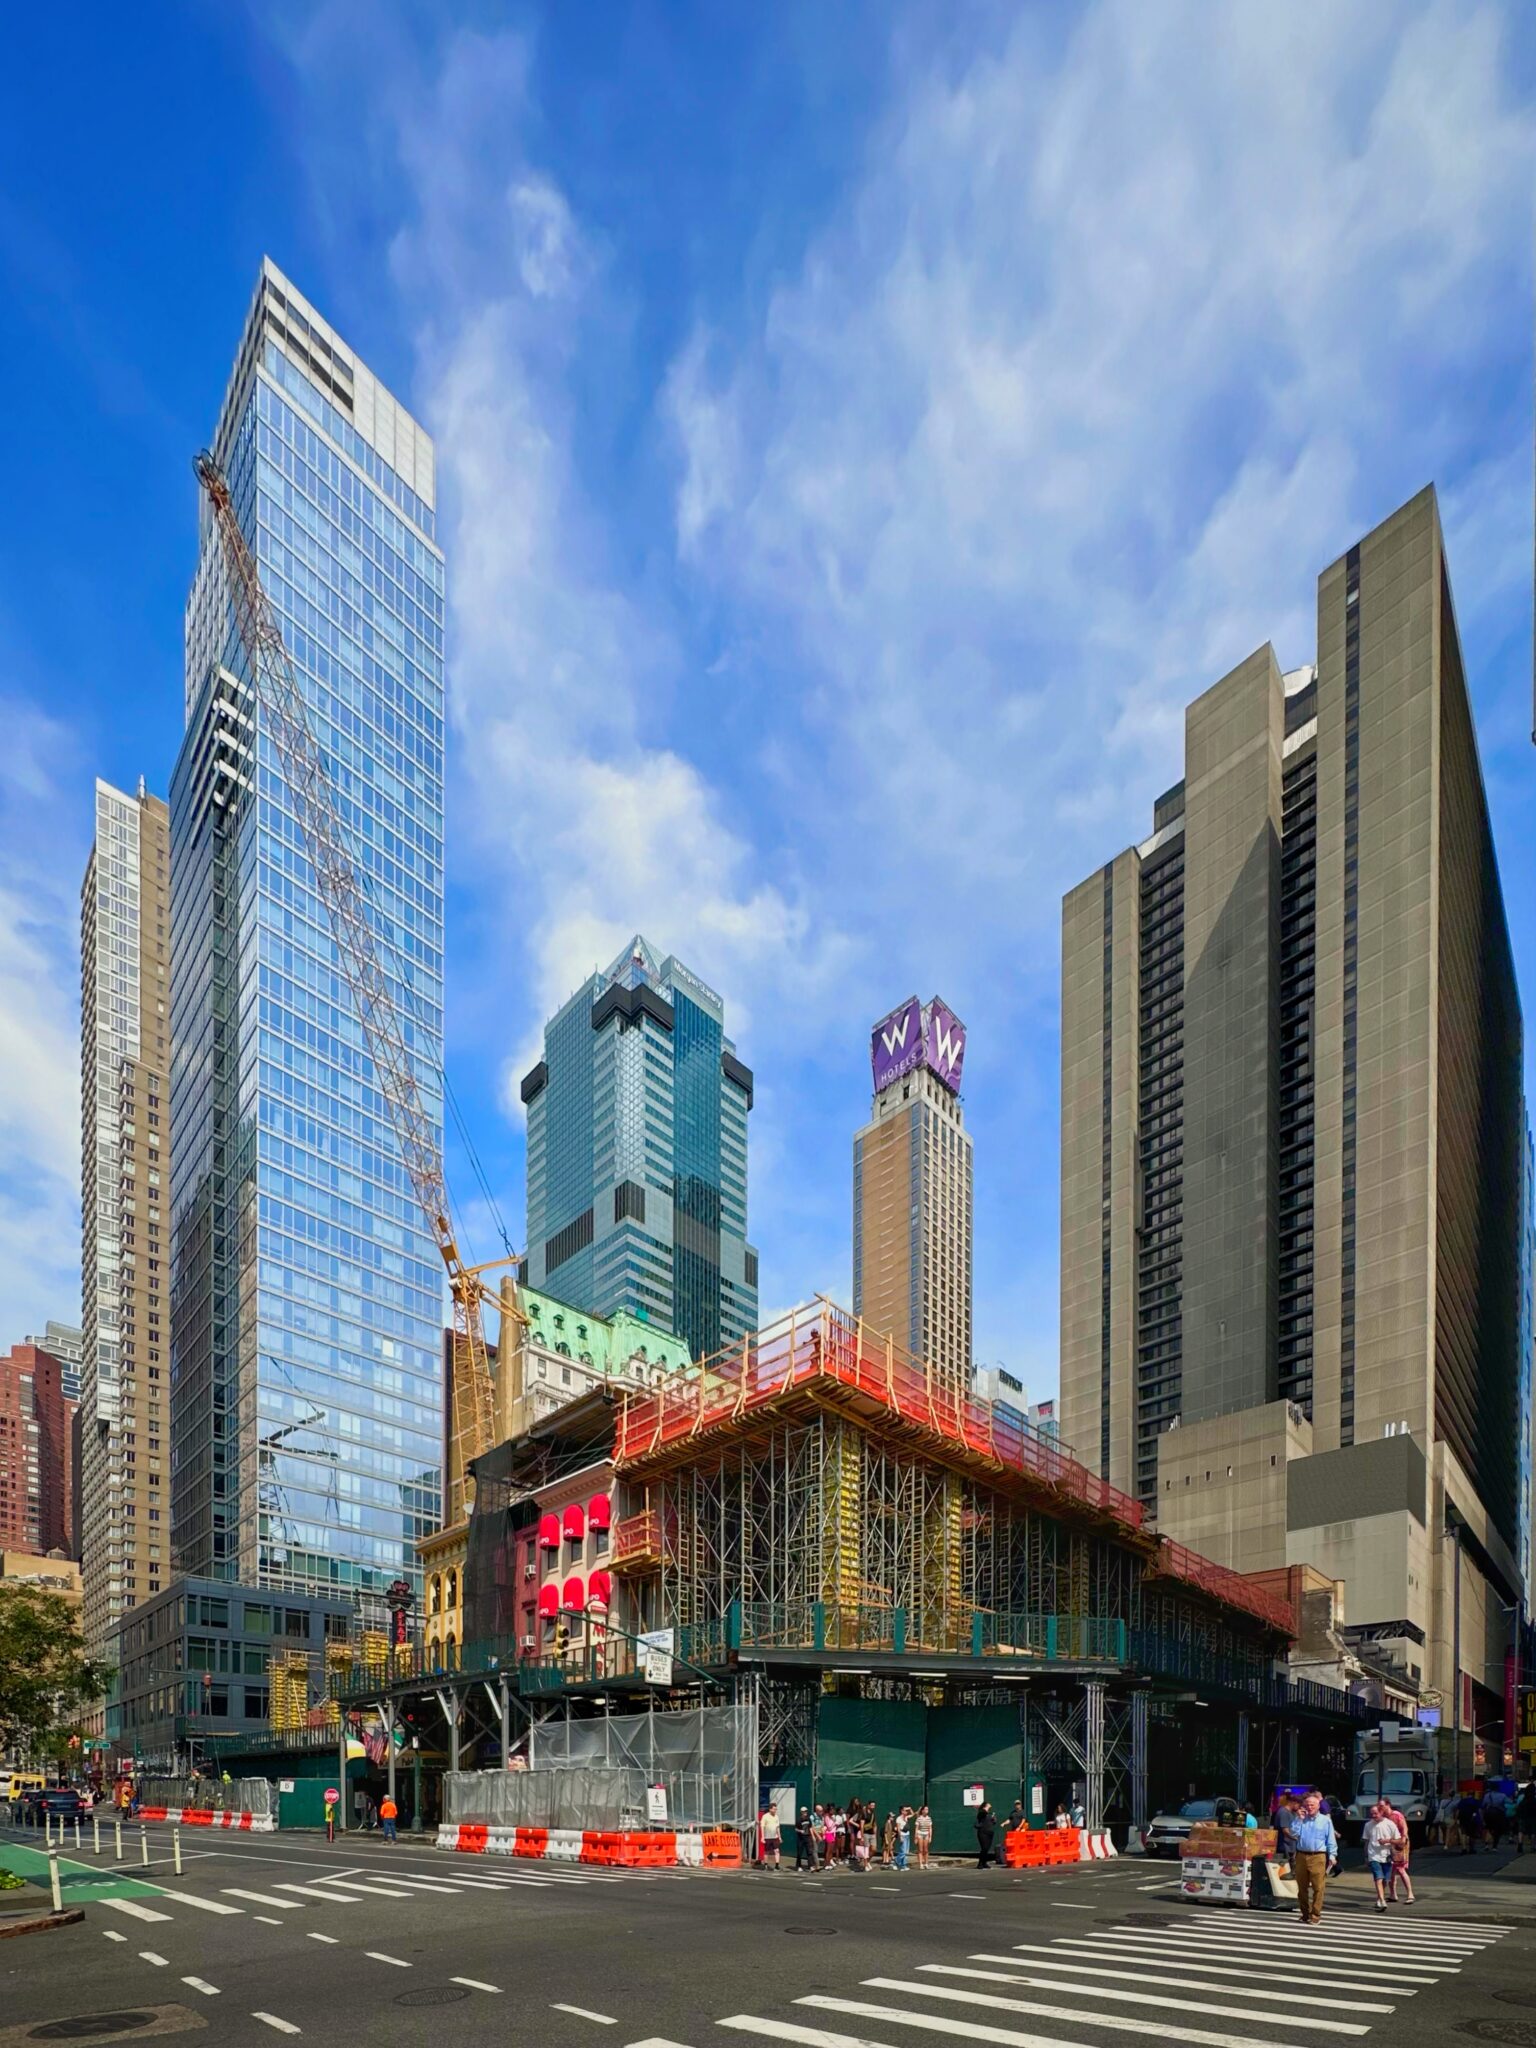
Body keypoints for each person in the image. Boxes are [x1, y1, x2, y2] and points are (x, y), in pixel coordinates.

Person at [1290, 1790, 1339, 1925]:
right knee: (1302, 1887)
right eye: (1307, 1805)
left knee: (1318, 1887)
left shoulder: (1325, 1821)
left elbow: (1330, 1839)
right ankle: (1305, 1913)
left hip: (1318, 1856)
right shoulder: (1301, 1819)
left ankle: (1315, 1914)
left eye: (1312, 1805)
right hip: (1301, 1855)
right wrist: (1298, 1819)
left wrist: (1333, 1855)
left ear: (1318, 1806)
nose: (1309, 1807)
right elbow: (1293, 1833)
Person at [1361, 1801, 1401, 1913]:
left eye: (1375, 1813)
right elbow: (1366, 1841)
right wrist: (1366, 1856)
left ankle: (1379, 1897)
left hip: (1386, 1855)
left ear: (1381, 1812)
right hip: (1373, 1855)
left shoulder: (1390, 1824)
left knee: (1385, 1880)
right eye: (1372, 1813)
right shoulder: (1368, 1825)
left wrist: (1387, 1841)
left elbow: (1399, 1840)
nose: (1373, 1816)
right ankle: (1382, 1900)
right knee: (1378, 1877)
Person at [1456, 1790, 1485, 1854]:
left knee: (1463, 1833)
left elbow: (1458, 1811)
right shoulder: (1476, 1801)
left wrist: (1456, 1819)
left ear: (1467, 1794)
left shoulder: (1462, 1801)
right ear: (1474, 1795)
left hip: (1463, 1819)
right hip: (1472, 1819)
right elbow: (1479, 1811)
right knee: (1472, 1834)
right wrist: (1482, 1820)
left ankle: (1464, 1848)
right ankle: (1471, 1849)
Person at [976, 1800, 998, 1869]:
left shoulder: (989, 1814)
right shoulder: (982, 1812)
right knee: (984, 1848)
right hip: (983, 1832)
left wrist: (994, 1818)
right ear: (985, 1805)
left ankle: (984, 1863)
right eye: (988, 1804)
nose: (990, 1804)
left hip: (990, 1832)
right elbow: (981, 1815)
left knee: (987, 1848)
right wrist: (985, 1810)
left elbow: (993, 1822)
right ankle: (980, 1864)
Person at [1514, 1782, 1536, 1854]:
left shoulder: (1521, 1797)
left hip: (1522, 1816)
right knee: (1533, 1832)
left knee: (1521, 1830)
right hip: (1533, 1817)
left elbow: (1517, 1806)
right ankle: (1532, 1846)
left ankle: (1520, 1843)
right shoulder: (1534, 1798)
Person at [760, 1802, 782, 1871]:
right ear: (770, 1809)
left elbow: (778, 1827)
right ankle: (766, 1865)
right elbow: (762, 1827)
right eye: (774, 1809)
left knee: (777, 1851)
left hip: (775, 1837)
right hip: (767, 1837)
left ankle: (777, 1865)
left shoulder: (776, 1816)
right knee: (767, 1851)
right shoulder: (765, 1816)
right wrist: (763, 1837)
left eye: (776, 1809)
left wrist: (780, 1837)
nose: (775, 1811)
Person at [913, 1803, 932, 1870]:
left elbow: (930, 1828)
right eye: (926, 1809)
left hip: (926, 1834)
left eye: (927, 1809)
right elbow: (916, 1828)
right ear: (922, 1810)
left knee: (926, 1850)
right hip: (920, 1834)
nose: (927, 1810)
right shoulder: (919, 1818)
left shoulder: (929, 1818)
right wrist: (915, 1837)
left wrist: (930, 1837)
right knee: (920, 1850)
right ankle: (921, 1864)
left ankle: (926, 1863)